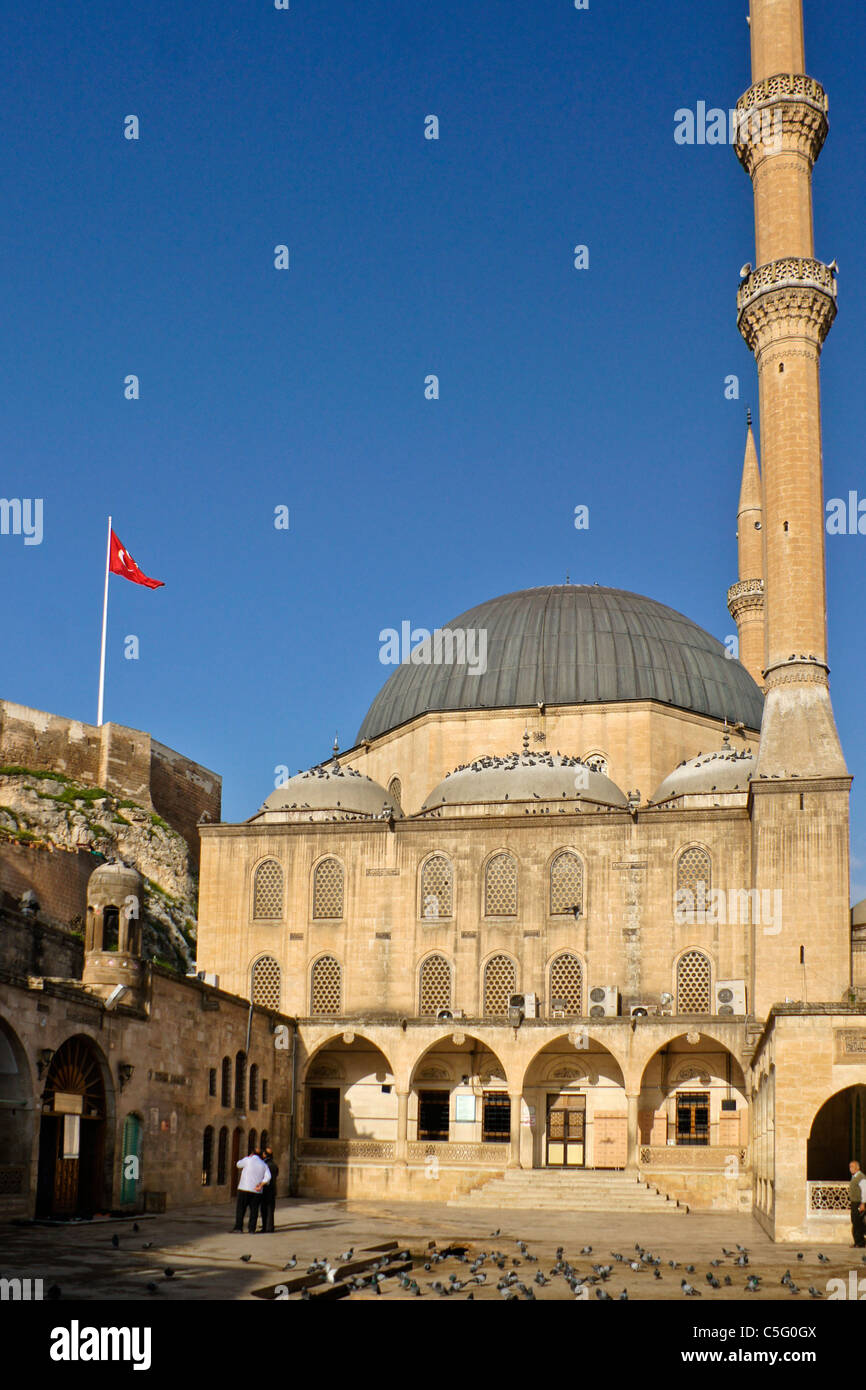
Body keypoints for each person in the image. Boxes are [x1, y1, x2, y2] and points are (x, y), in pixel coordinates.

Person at [232, 1147, 270, 1234]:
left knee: (241, 1209)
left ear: (252, 1153)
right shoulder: (264, 1164)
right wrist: (261, 1185)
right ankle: (251, 1229)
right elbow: (268, 1177)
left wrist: (248, 1157)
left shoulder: (248, 1160)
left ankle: (238, 1227)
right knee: (254, 1210)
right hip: (256, 1191)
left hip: (244, 1188)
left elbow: (238, 1164)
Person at [259, 1146, 279, 1233]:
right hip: (273, 1189)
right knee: (270, 1209)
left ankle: (266, 1227)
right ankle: (270, 1226)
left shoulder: (264, 1165)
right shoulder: (274, 1165)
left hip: (266, 1189)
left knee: (264, 1209)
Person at [849, 1159, 866, 1248]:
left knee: (858, 1222)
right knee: (855, 1221)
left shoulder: (861, 1177)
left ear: (857, 1167)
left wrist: (863, 1204)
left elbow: (864, 1191)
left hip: (859, 1203)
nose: (851, 1169)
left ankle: (860, 1242)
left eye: (852, 1167)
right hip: (854, 1203)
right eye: (850, 1167)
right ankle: (857, 1241)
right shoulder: (854, 1177)